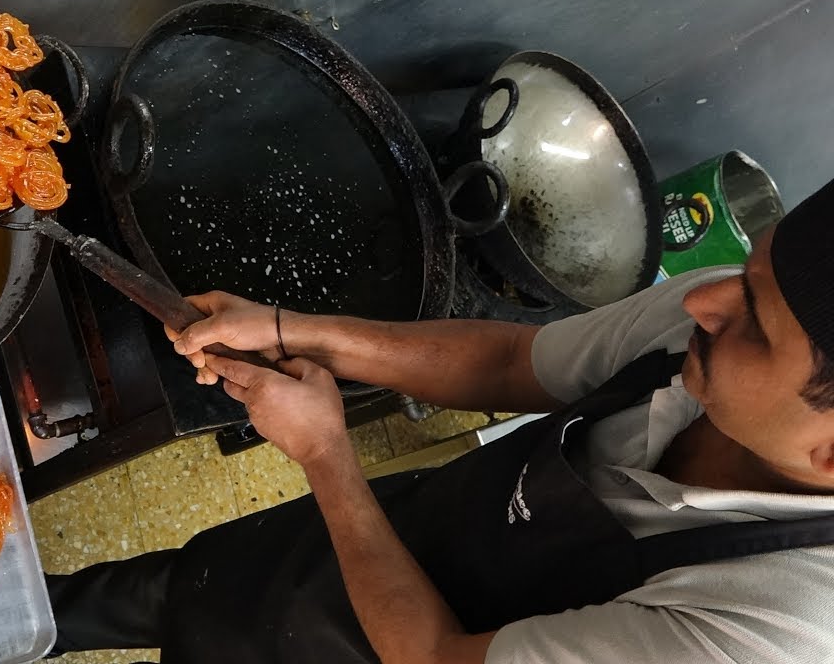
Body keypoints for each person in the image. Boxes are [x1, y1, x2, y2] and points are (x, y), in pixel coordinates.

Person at [46, 178, 834, 664]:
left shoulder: (773, 629)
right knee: (201, 582)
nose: (703, 300)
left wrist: (326, 452)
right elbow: (512, 365)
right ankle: (19, 621)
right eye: (747, 271)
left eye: (756, 324)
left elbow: (435, 657)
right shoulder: (711, 313)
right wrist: (290, 329)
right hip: (406, 528)